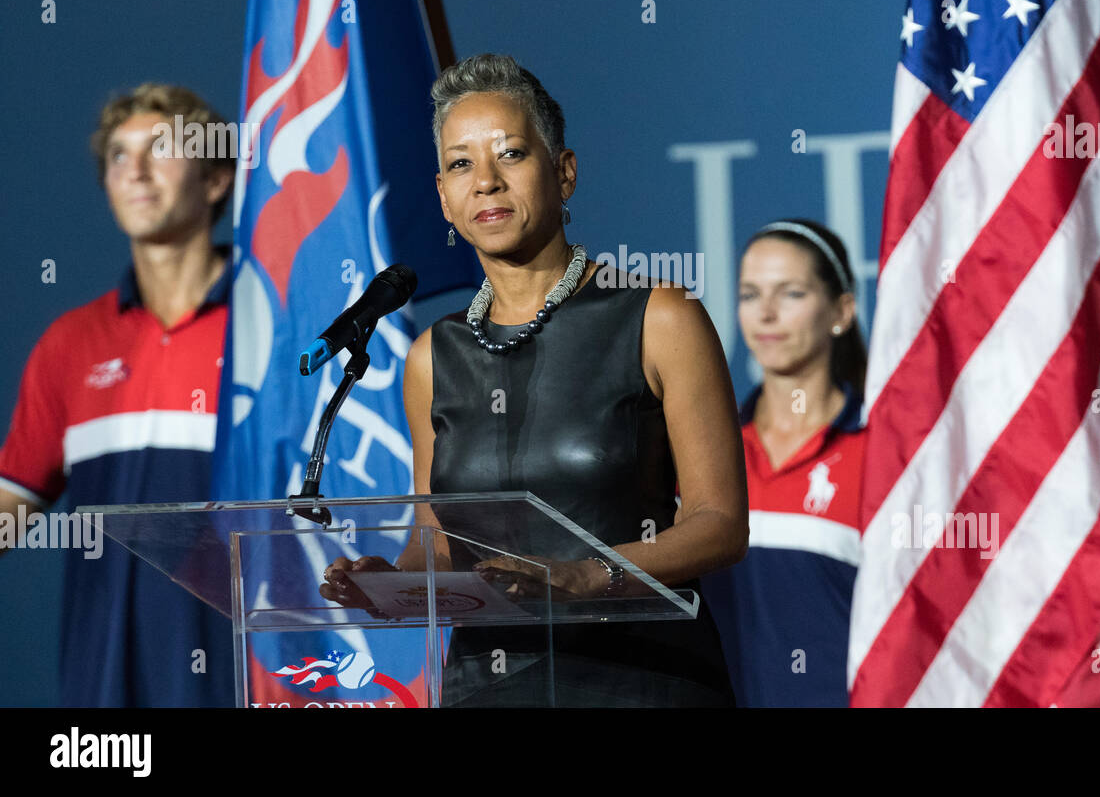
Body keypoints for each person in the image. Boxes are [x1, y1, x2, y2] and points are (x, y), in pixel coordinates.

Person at [322, 53, 747, 706]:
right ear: (443, 196)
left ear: (564, 172)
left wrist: (589, 574)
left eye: (510, 155)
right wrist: (389, 583)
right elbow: (439, 546)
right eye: (461, 164)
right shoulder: (434, 355)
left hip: (639, 678)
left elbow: (720, 523)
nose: (486, 182)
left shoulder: (659, 318)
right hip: (488, 685)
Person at [0, 83, 237, 706]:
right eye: (117, 155)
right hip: (103, 692)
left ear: (215, 180)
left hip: (247, 678)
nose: (135, 170)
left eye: (161, 148)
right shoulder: (68, 343)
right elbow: (9, 508)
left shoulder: (281, 329)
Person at [700, 219, 868, 706]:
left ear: (842, 311)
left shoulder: (885, 453)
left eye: (791, 293)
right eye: (750, 295)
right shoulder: (705, 453)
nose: (766, 314)